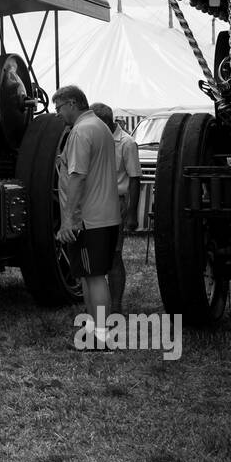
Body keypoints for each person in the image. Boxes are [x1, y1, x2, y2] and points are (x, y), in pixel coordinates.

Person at [52, 85, 119, 343]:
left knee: (93, 278)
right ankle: (94, 332)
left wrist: (68, 219)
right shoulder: (100, 127)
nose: (58, 114)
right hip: (104, 215)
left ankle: (100, 336)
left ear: (72, 103)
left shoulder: (80, 131)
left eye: (59, 108)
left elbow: (77, 177)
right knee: (91, 276)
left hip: (89, 219)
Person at [91, 102, 141, 313]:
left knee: (114, 255)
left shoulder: (127, 143)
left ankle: (116, 306)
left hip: (115, 202)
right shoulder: (94, 139)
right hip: (93, 202)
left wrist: (131, 214)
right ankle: (98, 302)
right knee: (96, 255)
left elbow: (135, 179)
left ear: (106, 122)